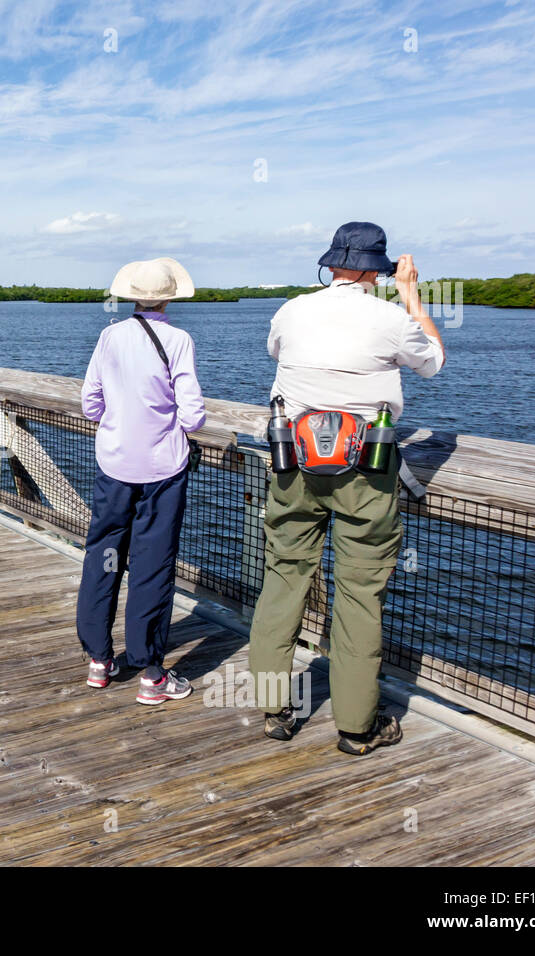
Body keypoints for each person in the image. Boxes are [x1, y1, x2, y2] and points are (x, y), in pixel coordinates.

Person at [248, 221, 446, 755]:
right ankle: (357, 729)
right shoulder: (389, 316)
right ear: (375, 269)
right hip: (367, 467)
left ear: (331, 263)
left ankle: (274, 711)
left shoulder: (292, 309)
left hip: (294, 461)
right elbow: (433, 361)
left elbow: (275, 352)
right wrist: (410, 293)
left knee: (283, 579)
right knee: (360, 595)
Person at [77, 257, 207, 705]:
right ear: (169, 296)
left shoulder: (110, 336)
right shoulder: (178, 339)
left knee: (103, 556)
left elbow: (90, 401)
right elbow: (192, 413)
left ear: (133, 294)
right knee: (153, 564)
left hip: (113, 465)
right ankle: (150, 673)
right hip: (162, 470)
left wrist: (115, 418)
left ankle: (99, 660)